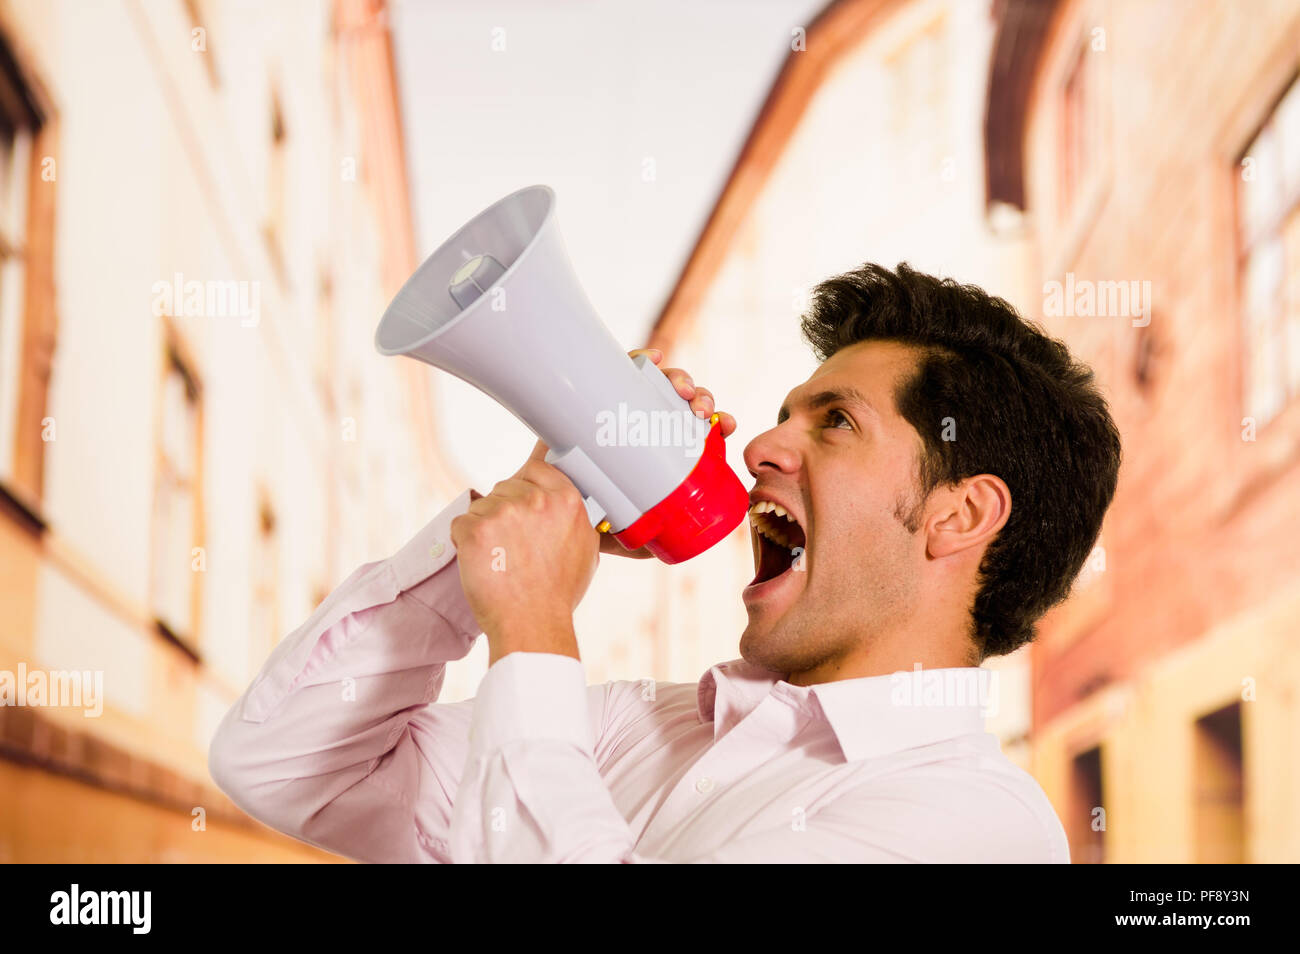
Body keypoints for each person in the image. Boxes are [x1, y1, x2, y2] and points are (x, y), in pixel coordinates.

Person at [209, 262, 1121, 863]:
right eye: (785, 412)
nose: (760, 444)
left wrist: (532, 627)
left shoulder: (974, 823)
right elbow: (284, 761)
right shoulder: (636, 731)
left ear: (959, 514)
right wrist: (548, 498)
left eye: (835, 421)